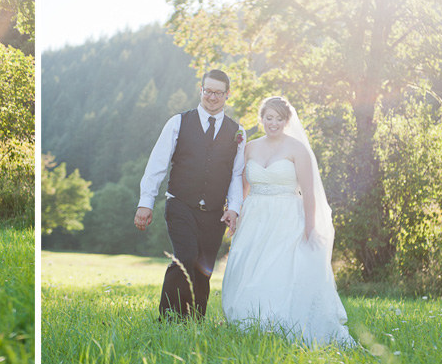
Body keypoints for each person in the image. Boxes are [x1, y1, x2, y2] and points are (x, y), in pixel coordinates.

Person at [221, 95, 355, 347]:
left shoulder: (298, 149)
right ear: (261, 119)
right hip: (255, 218)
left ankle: (278, 320)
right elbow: (243, 187)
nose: (273, 123)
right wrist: (235, 212)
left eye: (278, 119)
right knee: (249, 266)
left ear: (286, 120)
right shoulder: (250, 147)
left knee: (278, 269)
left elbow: (309, 192)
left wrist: (310, 227)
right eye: (268, 118)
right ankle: (248, 320)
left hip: (287, 217)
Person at [134, 69, 246, 320]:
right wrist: (146, 202)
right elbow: (157, 165)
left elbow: (237, 174)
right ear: (201, 90)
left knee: (203, 268)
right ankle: (169, 320)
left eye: (218, 92)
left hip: (215, 212)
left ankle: (194, 321)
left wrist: (234, 207)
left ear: (227, 94)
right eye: (208, 91)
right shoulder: (178, 122)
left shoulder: (238, 131)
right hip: (180, 204)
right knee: (185, 257)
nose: (212, 97)